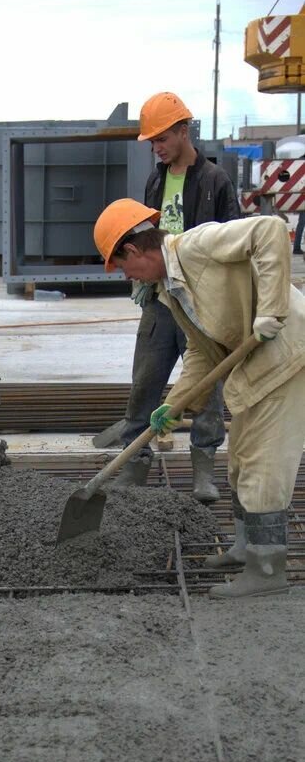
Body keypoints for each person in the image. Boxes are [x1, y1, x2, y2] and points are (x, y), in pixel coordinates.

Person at [94, 197, 305, 599]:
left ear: (135, 250)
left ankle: (267, 569)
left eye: (123, 266)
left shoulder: (196, 245)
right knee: (240, 461)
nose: (128, 277)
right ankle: (246, 548)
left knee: (264, 463)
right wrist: (173, 404)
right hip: (257, 367)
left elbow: (271, 230)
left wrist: (272, 310)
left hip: (288, 357)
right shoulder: (171, 290)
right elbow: (199, 352)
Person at [117, 92, 241, 502]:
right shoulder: (156, 178)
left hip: (201, 302)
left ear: (183, 131)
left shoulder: (215, 180)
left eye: (161, 138)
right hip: (159, 297)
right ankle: (135, 466)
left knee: (205, 386)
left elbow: (235, 240)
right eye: (152, 141)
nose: (156, 146)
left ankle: (203, 470)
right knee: (144, 382)